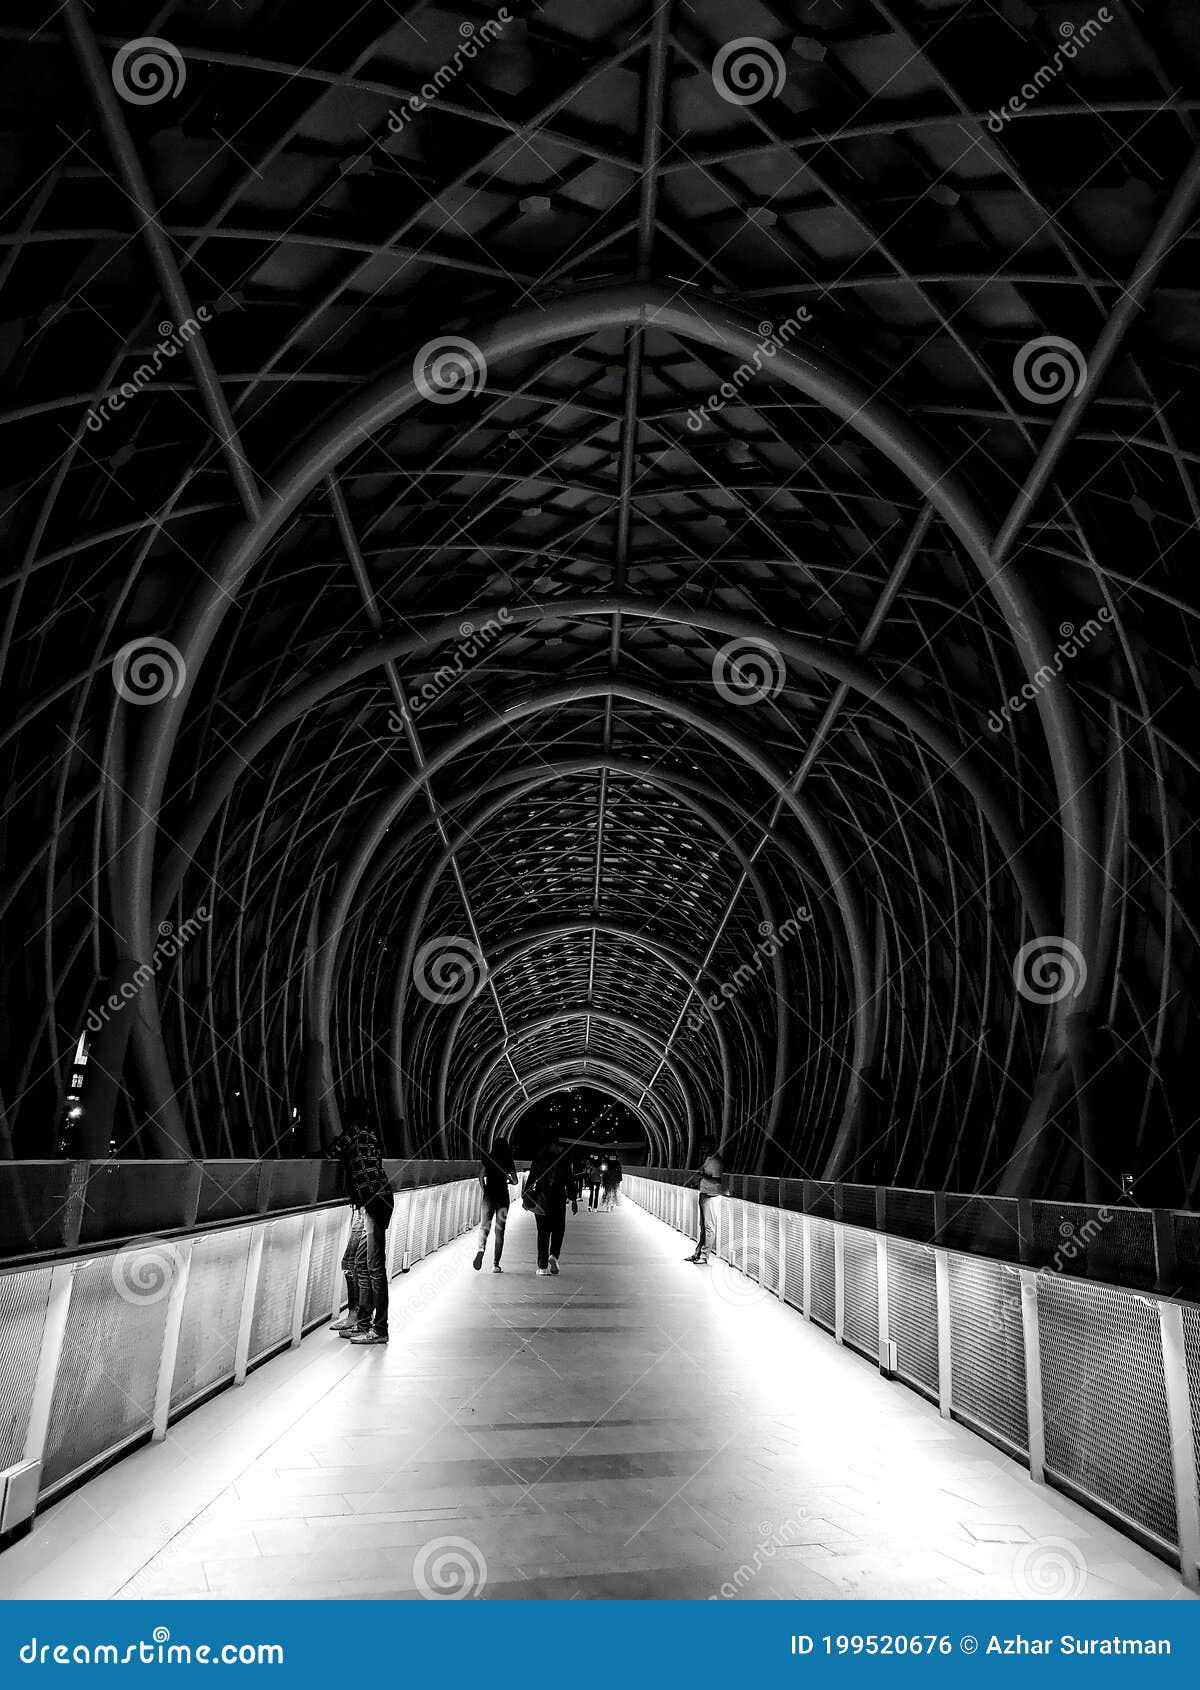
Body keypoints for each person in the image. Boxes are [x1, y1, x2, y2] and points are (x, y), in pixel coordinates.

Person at [329, 1094, 393, 1343]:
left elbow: (333, 1149)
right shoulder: (372, 1134)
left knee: (375, 1268)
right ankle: (362, 1322)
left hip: (374, 1201)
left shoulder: (354, 1131)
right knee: (355, 1261)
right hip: (373, 1200)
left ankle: (379, 1329)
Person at [524, 1133, 571, 1275]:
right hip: (559, 1199)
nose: (561, 1148)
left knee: (542, 1233)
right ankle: (554, 1255)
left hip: (541, 1200)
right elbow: (569, 1180)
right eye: (559, 1145)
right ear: (552, 1145)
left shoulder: (539, 1160)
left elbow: (531, 1180)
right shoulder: (563, 1161)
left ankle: (542, 1266)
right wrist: (574, 1199)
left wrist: (526, 1197)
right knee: (559, 1229)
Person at [474, 1135, 516, 1272]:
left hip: (489, 1197)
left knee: (484, 1226)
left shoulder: (488, 1158)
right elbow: (515, 1181)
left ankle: (481, 1249)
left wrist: (485, 1189)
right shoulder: (508, 1160)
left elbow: (480, 1176)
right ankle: (495, 1264)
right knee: (499, 1231)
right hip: (503, 1198)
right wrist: (508, 1180)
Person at [688, 1139, 725, 1264]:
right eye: (702, 1146)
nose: (703, 1149)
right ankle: (698, 1253)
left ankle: (704, 1256)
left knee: (709, 1227)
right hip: (704, 1194)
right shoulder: (708, 1159)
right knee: (703, 1227)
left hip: (712, 1196)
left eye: (705, 1146)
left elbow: (717, 1180)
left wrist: (701, 1176)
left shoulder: (716, 1161)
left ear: (712, 1145)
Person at [330, 1204, 365, 1333]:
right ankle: (361, 1315)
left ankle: (356, 1315)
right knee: (353, 1264)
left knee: (351, 1263)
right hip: (364, 1211)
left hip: (364, 1213)